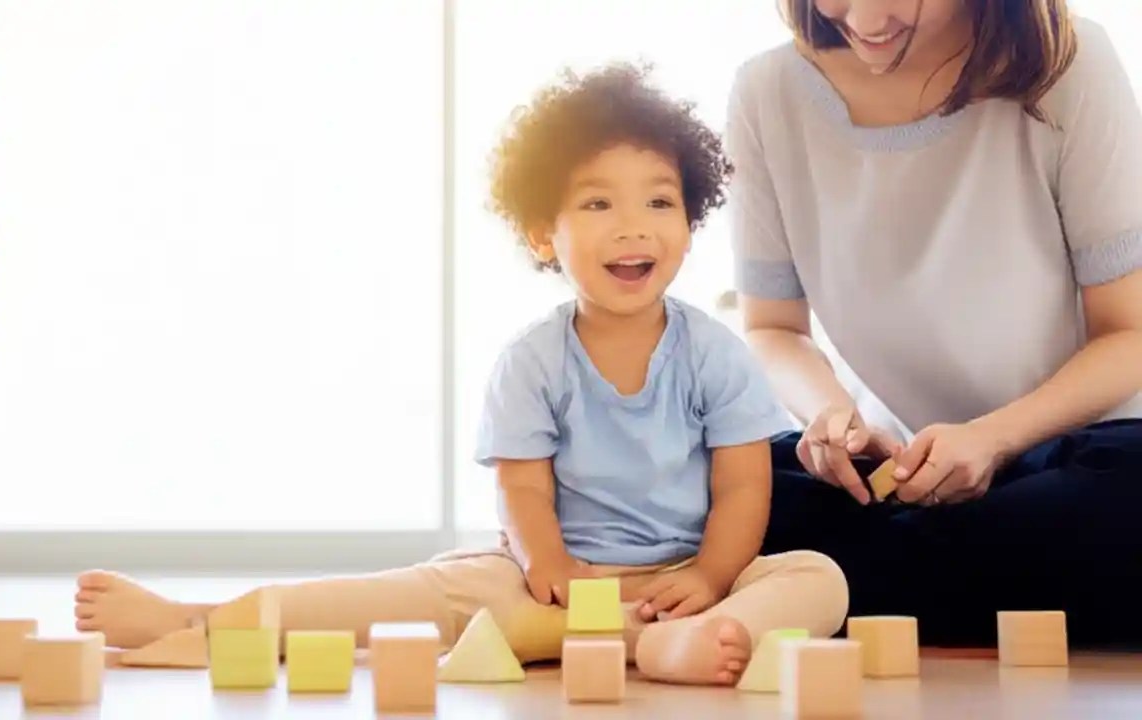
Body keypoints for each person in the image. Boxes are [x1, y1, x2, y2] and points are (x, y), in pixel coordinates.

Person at [71, 64, 849, 686]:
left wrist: (713, 577)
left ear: (689, 221)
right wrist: (550, 567)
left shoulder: (712, 351)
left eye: (659, 201)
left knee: (819, 578)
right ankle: (194, 619)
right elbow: (523, 489)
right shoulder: (533, 359)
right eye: (599, 204)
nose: (634, 225)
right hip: (549, 583)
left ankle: (668, 639)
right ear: (545, 233)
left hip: (678, 579)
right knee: (399, 595)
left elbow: (747, 485)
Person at [726, 0, 1142, 647]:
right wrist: (835, 419)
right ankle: (854, 583)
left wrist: (991, 439)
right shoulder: (765, 92)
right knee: (716, 476)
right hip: (908, 469)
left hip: (1082, 453)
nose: (863, 18)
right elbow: (774, 328)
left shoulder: (1070, 65)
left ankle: (810, 586)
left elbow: (1129, 333)